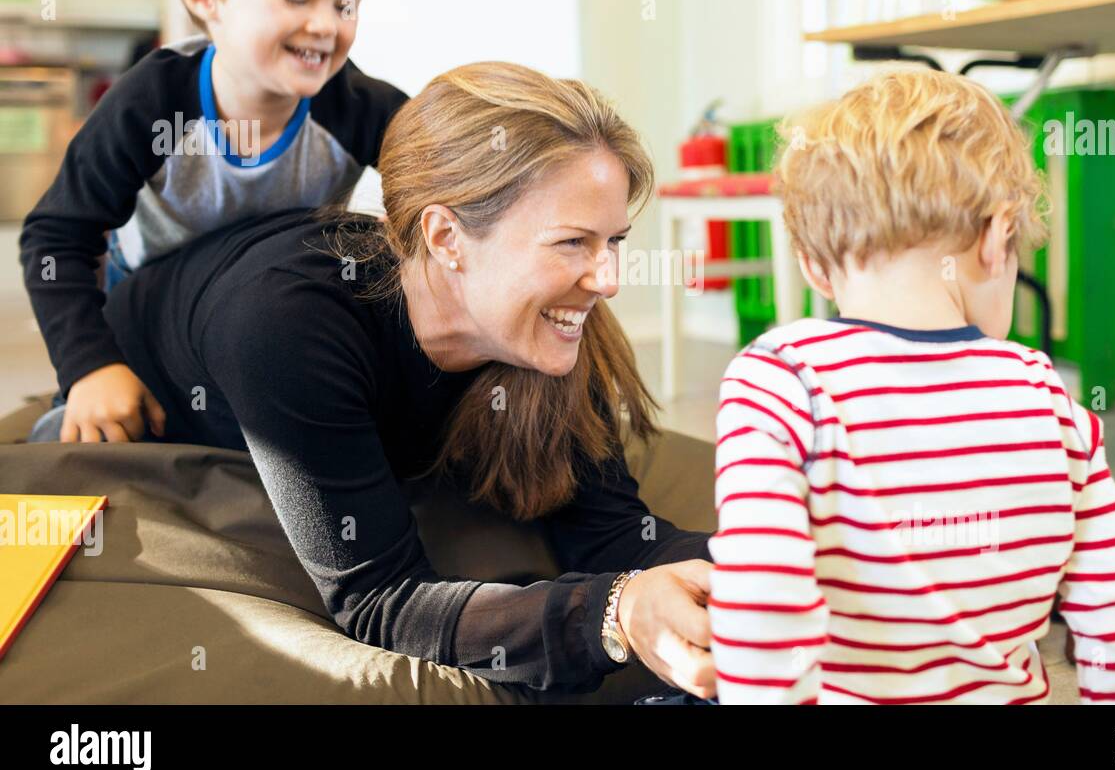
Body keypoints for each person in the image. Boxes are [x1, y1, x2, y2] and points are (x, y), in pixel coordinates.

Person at [35, 61, 716, 698]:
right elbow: (380, 602)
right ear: (446, 238)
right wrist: (616, 612)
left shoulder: (558, 321)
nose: (609, 280)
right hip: (161, 385)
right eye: (573, 243)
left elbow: (616, 533)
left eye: (614, 241)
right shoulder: (286, 330)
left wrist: (762, 568)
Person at [707, 68, 1115, 704]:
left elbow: (763, 599)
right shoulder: (1049, 397)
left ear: (812, 265)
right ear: (997, 236)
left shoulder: (781, 377)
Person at [20, 0, 406, 445]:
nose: (325, 25)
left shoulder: (358, 105)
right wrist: (89, 367)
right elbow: (55, 237)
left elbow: (442, 171)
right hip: (151, 306)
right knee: (101, 429)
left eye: (345, 4)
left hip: (269, 301)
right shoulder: (149, 103)